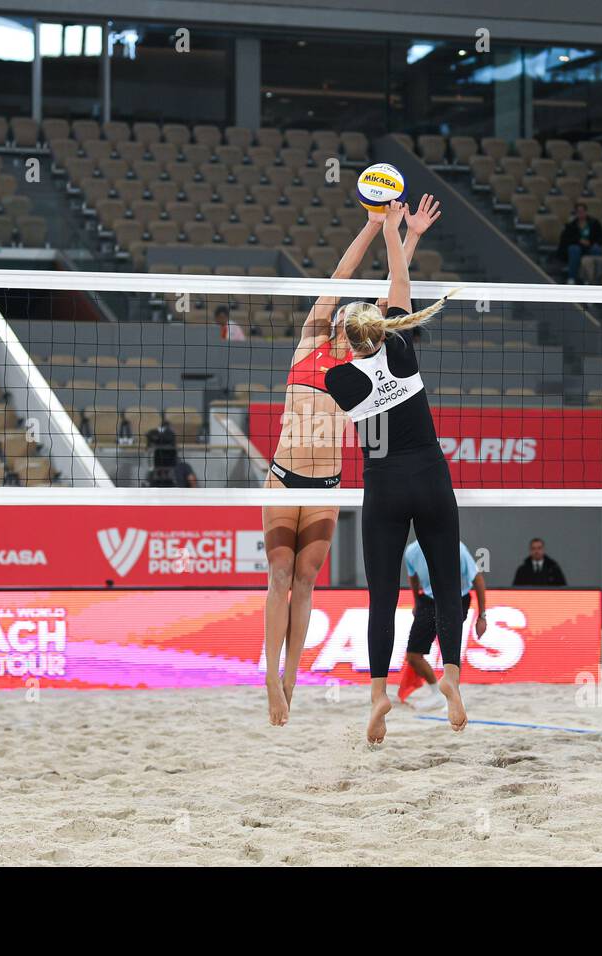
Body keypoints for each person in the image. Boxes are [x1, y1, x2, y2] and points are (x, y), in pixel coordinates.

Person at [262, 195, 442, 727]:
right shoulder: (309, 346)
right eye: (341, 310)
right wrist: (372, 225)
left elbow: (398, 303)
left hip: (328, 486)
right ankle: (270, 675)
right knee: (279, 574)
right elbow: (341, 274)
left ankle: (292, 675)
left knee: (307, 579)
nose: (344, 313)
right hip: (283, 480)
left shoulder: (366, 366)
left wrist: (407, 238)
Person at [324, 198, 467, 743]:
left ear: (347, 339)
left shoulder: (340, 379)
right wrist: (399, 232)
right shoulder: (402, 350)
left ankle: (379, 693)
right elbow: (399, 288)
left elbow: (365, 310)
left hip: (382, 484)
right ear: (382, 328)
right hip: (430, 476)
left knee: (381, 597)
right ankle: (450, 676)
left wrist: (382, 227)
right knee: (447, 585)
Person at [398, 538, 485, 710]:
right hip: (429, 600)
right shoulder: (412, 551)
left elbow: (477, 579)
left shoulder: (457, 548)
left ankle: (453, 695)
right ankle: (437, 695)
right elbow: (413, 577)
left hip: (456, 599)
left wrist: (482, 616)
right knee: (413, 655)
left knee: (450, 650)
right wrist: (417, 602)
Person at [555, 202, 602, 284]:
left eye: (582, 211)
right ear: (576, 213)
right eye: (578, 212)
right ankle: (572, 278)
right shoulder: (571, 225)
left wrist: (592, 242)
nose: (581, 213)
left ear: (586, 212)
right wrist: (579, 240)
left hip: (590, 247)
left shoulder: (594, 223)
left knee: (596, 249)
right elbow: (565, 240)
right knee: (574, 249)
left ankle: (594, 278)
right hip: (577, 248)